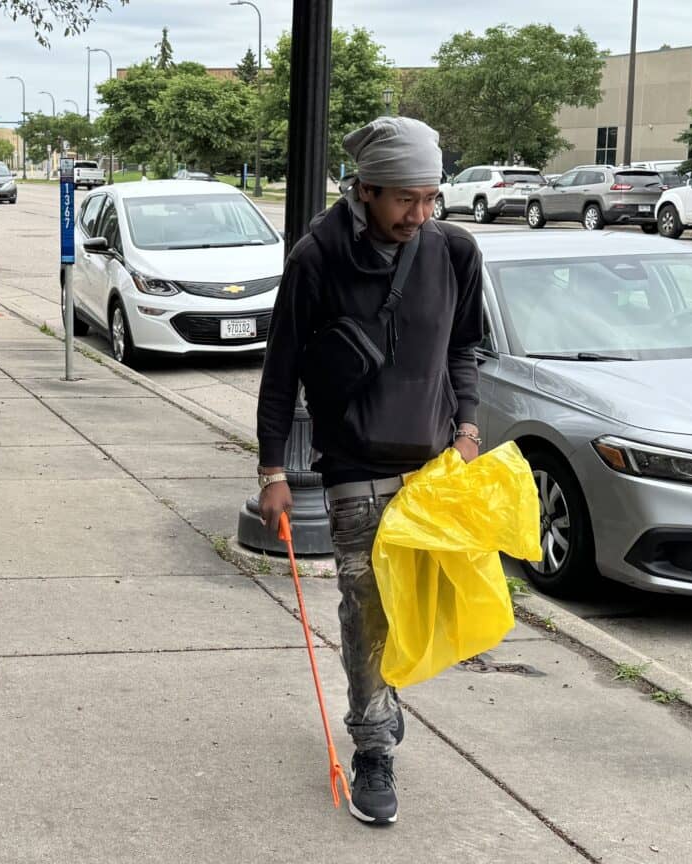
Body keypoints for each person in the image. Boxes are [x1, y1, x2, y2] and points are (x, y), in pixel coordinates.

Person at [254, 116, 483, 826]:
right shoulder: (318, 256)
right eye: (404, 201)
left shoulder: (454, 251)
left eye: (429, 198)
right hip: (353, 463)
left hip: (436, 468)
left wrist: (469, 429)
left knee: (420, 606)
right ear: (364, 190)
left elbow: (465, 350)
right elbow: (282, 368)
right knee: (364, 604)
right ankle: (373, 742)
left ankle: (384, 696)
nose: (419, 215)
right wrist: (271, 470)